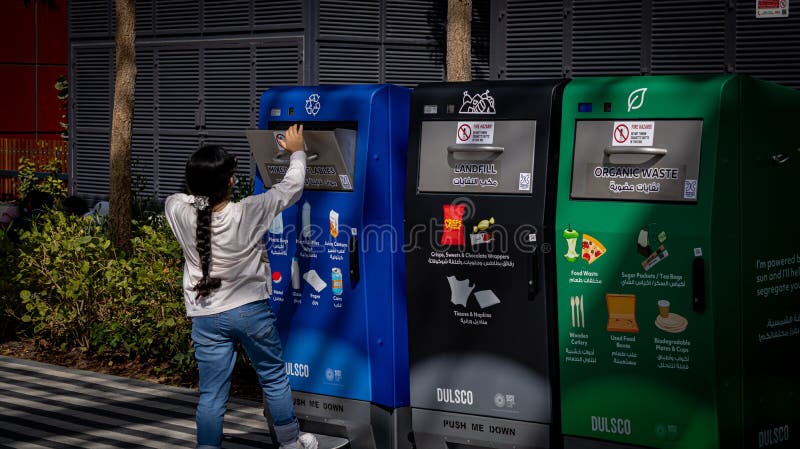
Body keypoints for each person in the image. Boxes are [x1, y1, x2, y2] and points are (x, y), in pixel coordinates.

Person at [165, 124, 318, 449]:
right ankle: (290, 443)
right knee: (273, 377)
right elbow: (291, 188)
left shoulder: (179, 213)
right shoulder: (248, 211)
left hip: (205, 316)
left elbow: (178, 197)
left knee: (211, 394)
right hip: (250, 313)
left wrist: (201, 187)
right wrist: (298, 151)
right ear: (230, 182)